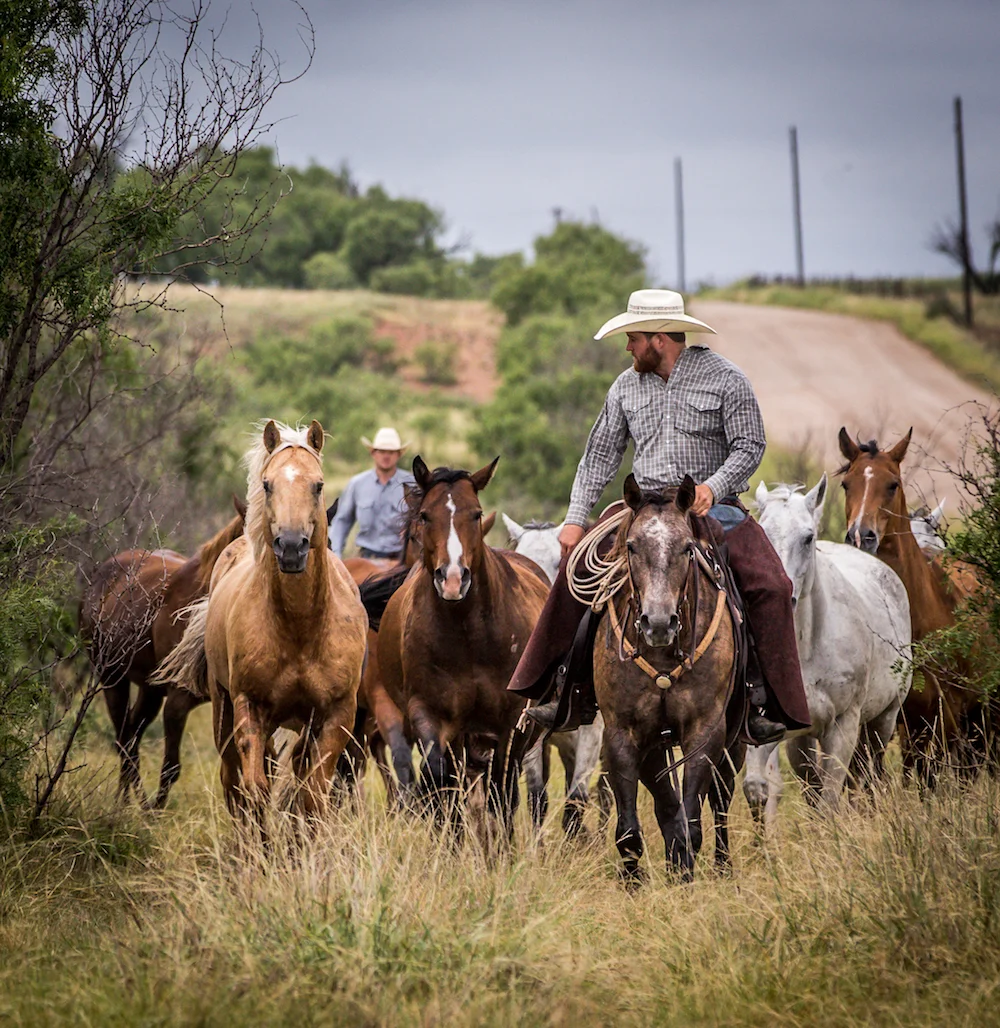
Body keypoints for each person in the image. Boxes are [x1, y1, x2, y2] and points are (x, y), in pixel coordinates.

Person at [510, 289, 811, 744]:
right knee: (577, 570)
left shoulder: (726, 378)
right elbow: (599, 456)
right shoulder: (624, 386)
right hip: (641, 507)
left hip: (710, 506)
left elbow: (750, 445)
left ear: (659, 339)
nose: (627, 348)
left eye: (633, 338)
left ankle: (761, 700)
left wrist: (713, 487)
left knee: (772, 586)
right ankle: (563, 689)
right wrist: (575, 518)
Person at [328, 427, 416, 560]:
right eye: (382, 451)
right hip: (367, 558)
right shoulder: (357, 484)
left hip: (402, 559)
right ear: (373, 453)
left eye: (391, 452)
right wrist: (335, 556)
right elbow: (342, 521)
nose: (386, 456)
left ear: (399, 454)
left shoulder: (411, 484)